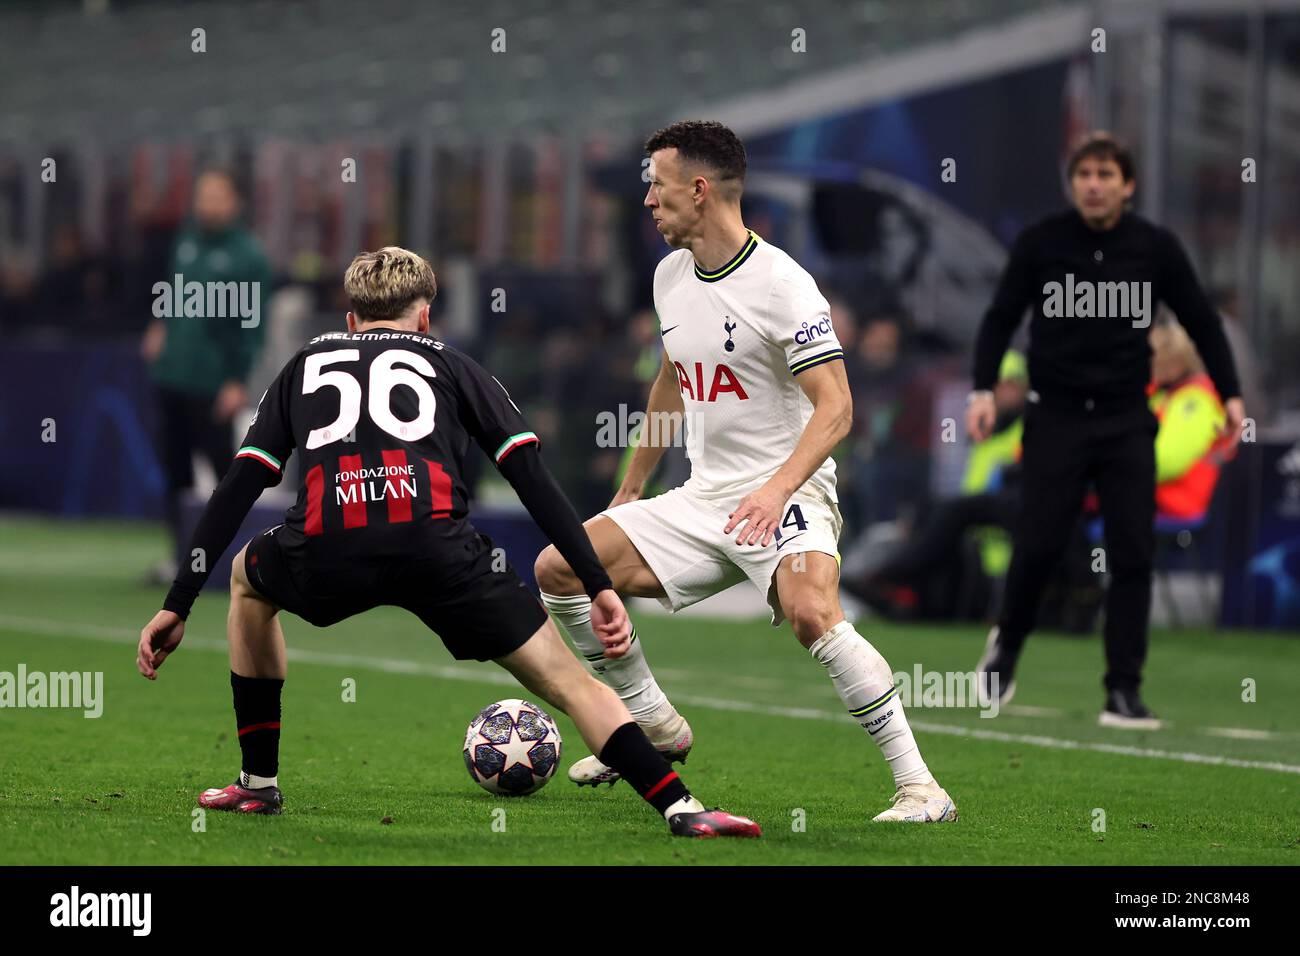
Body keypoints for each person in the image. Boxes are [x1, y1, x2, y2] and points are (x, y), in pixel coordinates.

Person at [136, 246, 759, 839]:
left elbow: (239, 486)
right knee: (572, 682)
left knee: (248, 580)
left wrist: (179, 601)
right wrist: (597, 584)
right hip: (439, 550)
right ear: (427, 316)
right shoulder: (453, 364)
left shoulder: (307, 362)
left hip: (329, 544)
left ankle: (259, 782)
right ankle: (683, 808)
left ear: (350, 319)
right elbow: (531, 479)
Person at [535, 121, 957, 823]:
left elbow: (838, 409)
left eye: (657, 186)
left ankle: (922, 788)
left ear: (698, 190)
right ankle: (655, 726)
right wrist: (635, 485)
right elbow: (671, 379)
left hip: (789, 493)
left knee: (813, 614)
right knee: (561, 566)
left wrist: (777, 489)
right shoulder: (671, 276)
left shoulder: (783, 285)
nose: (648, 202)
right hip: (706, 499)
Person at [967, 132, 1245, 727]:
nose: (1095, 184)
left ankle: (1123, 690)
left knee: (1133, 554)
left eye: (1106, 174)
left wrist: (1232, 395)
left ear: (1128, 185)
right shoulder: (1042, 243)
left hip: (1125, 421)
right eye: (1085, 174)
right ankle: (1006, 648)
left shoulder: (1155, 248)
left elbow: (1201, 320)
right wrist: (982, 390)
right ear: (1073, 184)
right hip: (1056, 418)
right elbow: (999, 317)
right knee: (1038, 544)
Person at [141, 169, 272, 581]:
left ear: (235, 202)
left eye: (217, 196)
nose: (208, 204)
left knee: (224, 476)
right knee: (175, 472)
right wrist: (160, 325)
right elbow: (171, 290)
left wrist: (238, 380)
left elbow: (253, 325)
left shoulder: (249, 256)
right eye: (203, 195)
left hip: (213, 382)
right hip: (173, 376)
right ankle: (180, 557)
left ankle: (233, 561)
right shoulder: (186, 241)